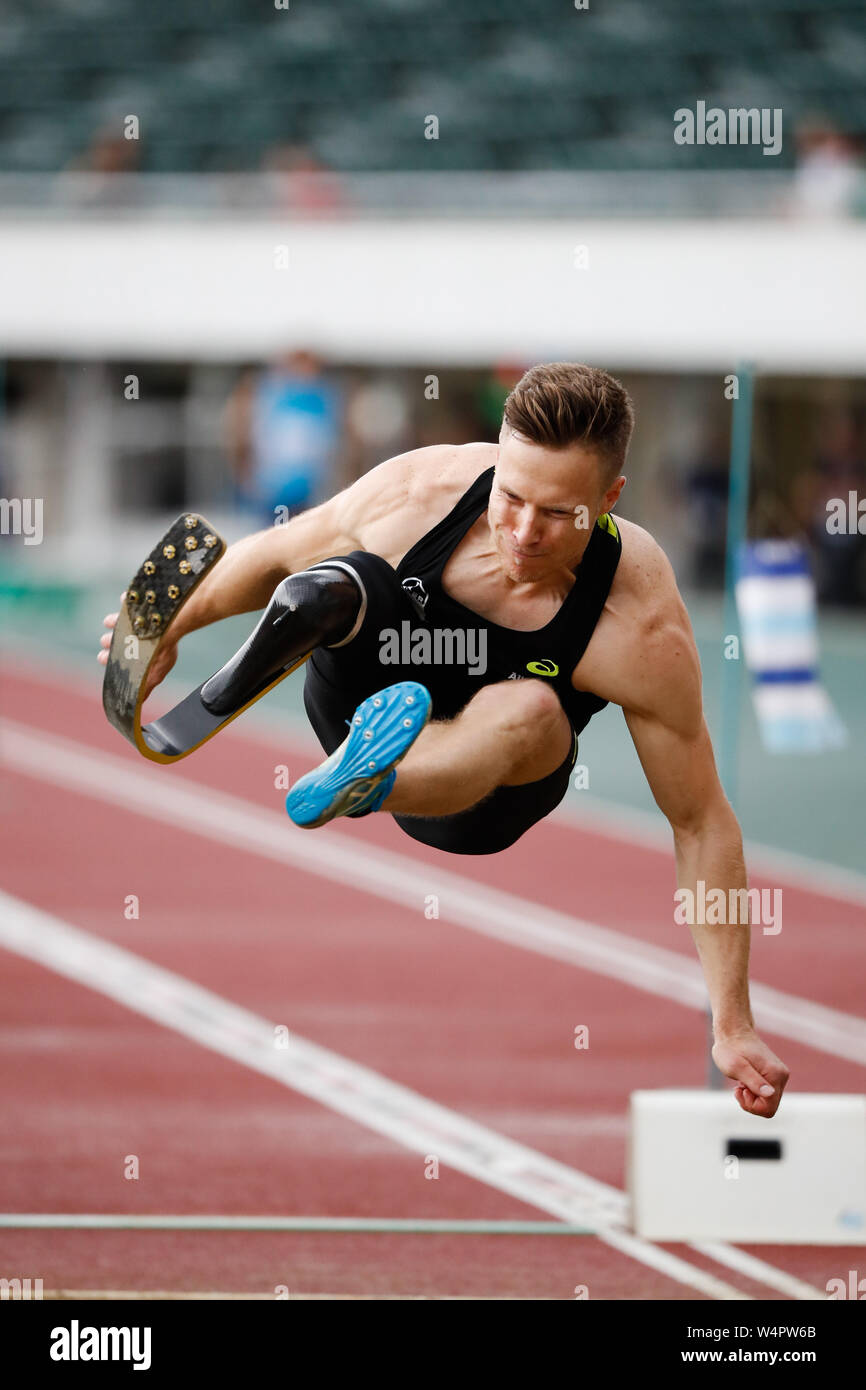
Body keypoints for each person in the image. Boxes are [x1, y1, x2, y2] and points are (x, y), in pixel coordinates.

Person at [99, 362, 789, 1119]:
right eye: (512, 497)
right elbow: (271, 553)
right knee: (325, 582)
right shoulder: (422, 492)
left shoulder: (639, 625)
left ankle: (372, 780)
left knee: (530, 705)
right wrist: (165, 632)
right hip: (360, 699)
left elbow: (700, 822)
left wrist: (732, 1022)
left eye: (559, 514)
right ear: (495, 457)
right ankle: (293, 720)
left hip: (481, 792)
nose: (524, 532)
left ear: (610, 500)